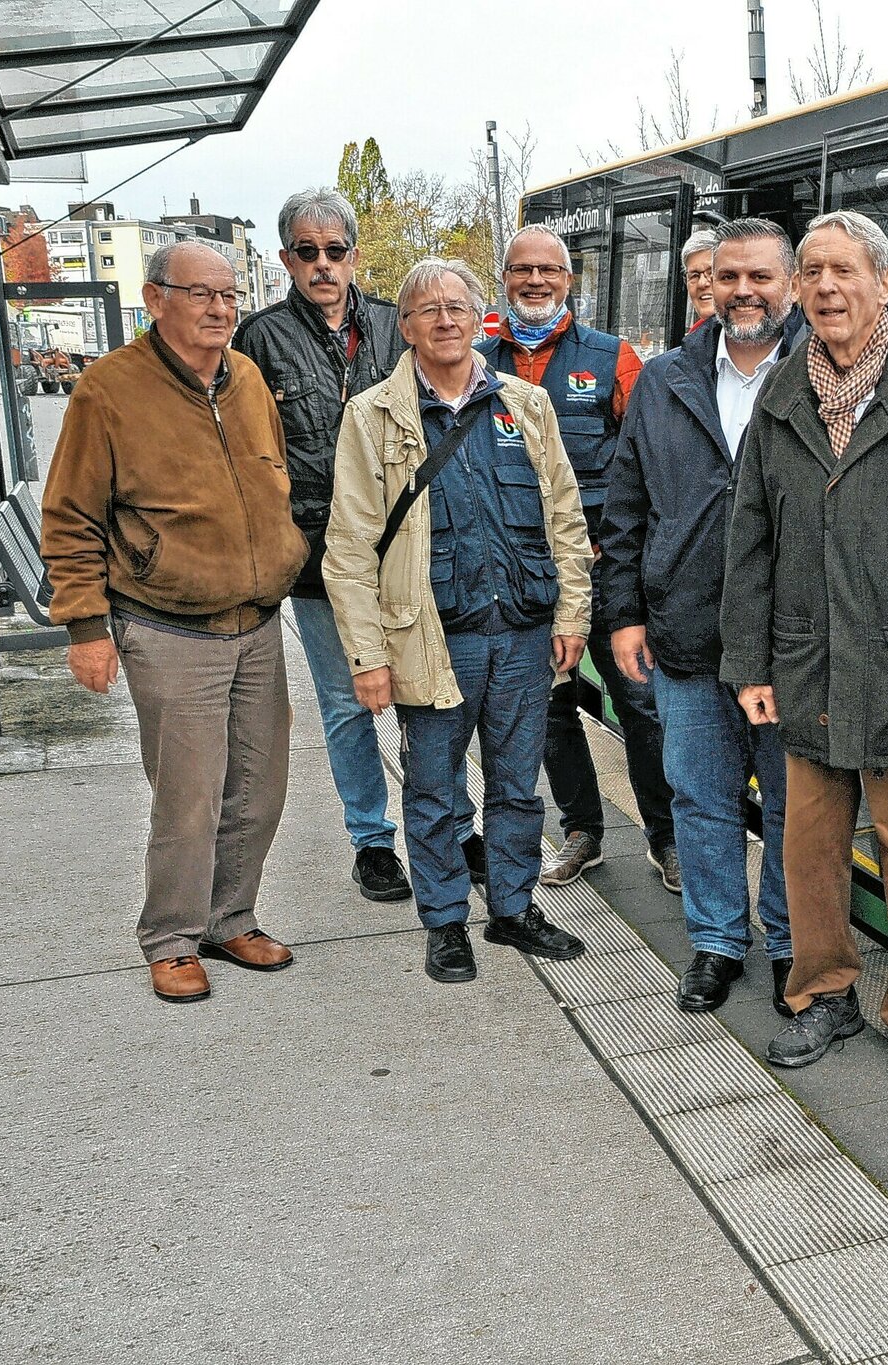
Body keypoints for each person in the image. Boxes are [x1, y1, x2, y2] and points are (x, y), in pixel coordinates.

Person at [720, 210, 888, 1089]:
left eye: (843, 271)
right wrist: (748, 663)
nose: (824, 287)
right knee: (808, 845)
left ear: (886, 284)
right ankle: (823, 992)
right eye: (811, 270)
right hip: (805, 663)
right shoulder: (781, 397)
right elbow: (747, 541)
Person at [40, 239, 308, 1003]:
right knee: (189, 793)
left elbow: (273, 475)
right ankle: (171, 937)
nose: (221, 308)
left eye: (229, 295)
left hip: (256, 621)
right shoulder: (108, 390)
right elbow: (70, 516)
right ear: (156, 300)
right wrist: (86, 627)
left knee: (259, 788)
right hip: (167, 624)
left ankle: (231, 917)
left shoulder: (247, 376)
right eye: (202, 294)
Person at [324, 258, 593, 985]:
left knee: (516, 785)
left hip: (524, 632)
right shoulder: (373, 415)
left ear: (482, 318)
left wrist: (573, 611)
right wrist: (367, 656)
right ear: (405, 326)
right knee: (435, 788)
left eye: (457, 306)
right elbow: (348, 548)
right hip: (432, 639)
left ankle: (511, 908)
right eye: (427, 309)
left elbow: (565, 518)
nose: (445, 319)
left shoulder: (527, 406)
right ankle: (445, 921)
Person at [235, 187, 479, 903]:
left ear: (354, 255)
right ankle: (372, 841)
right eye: (306, 252)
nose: (321, 264)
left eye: (334, 250)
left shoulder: (391, 323)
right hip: (316, 560)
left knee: (433, 693)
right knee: (347, 704)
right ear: (286, 258)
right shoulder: (260, 339)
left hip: (410, 547)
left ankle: (456, 825)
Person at [601, 218, 804, 1015]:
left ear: (787, 283)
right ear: (707, 283)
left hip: (790, 641)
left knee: (793, 804)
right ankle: (717, 941)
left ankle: (790, 945)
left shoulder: (819, 372)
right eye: (729, 277)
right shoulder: (664, 379)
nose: (744, 291)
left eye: (759, 276)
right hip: (686, 632)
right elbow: (625, 507)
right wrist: (624, 611)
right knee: (701, 796)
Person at [476, 225, 679, 892]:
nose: (534, 281)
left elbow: (652, 462)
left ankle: (667, 838)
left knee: (641, 705)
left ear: (569, 280)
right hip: (519, 577)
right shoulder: (475, 365)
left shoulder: (614, 358)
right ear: (504, 279)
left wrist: (626, 549)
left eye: (548, 270)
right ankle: (583, 830)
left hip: (603, 570)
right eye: (521, 270)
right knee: (549, 711)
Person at [682, 228, 718, 330]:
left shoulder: (753, 338)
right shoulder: (695, 336)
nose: (702, 283)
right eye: (694, 275)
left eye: (711, 273)